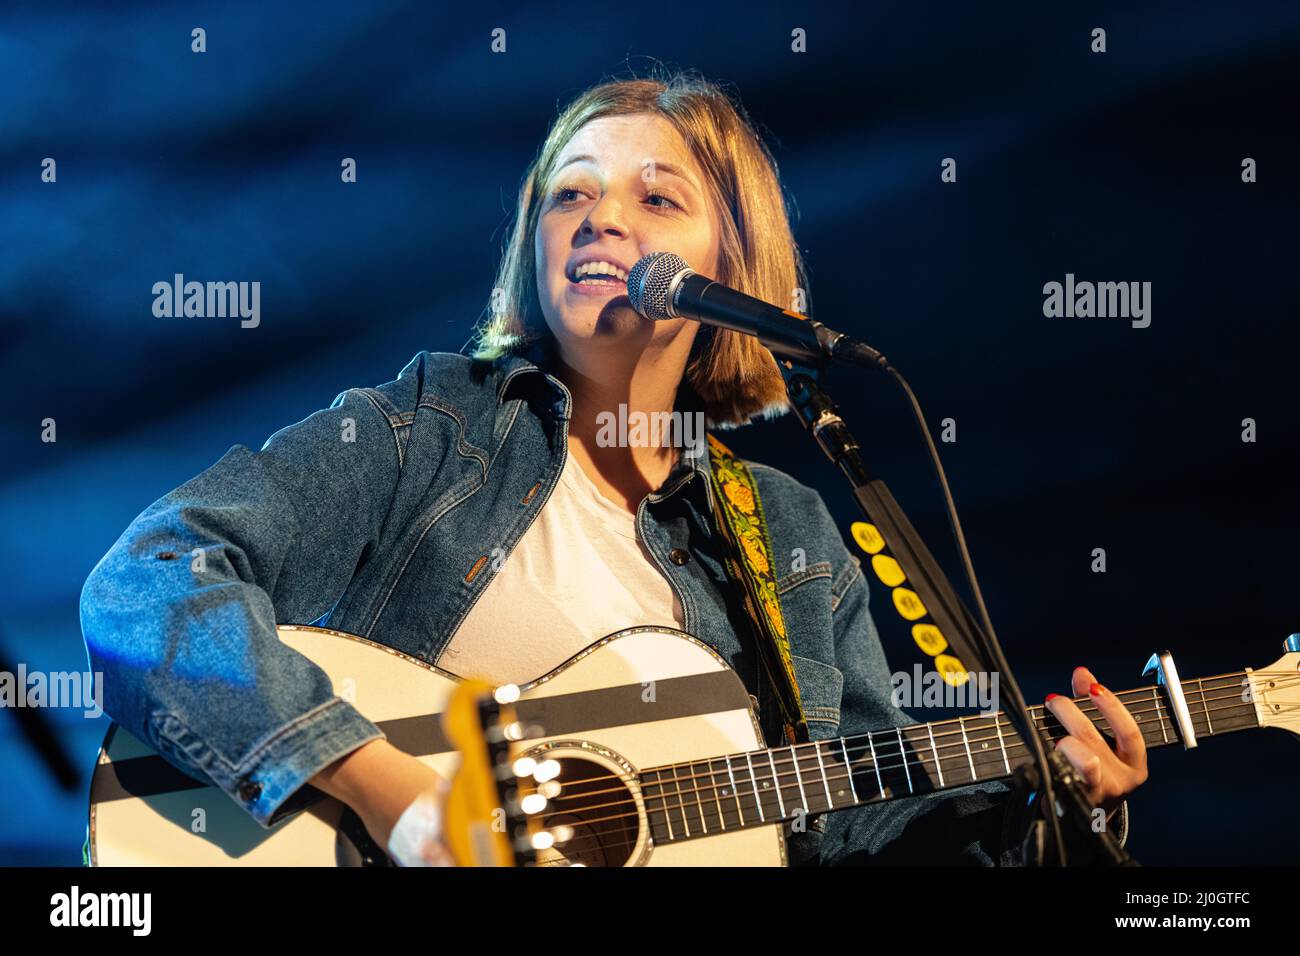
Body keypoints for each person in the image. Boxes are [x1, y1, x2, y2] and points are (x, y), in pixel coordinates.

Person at [80, 69, 1147, 867]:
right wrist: (395, 797)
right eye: (567, 194)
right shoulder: (432, 427)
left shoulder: (792, 537)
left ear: (728, 260)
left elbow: (862, 823)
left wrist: (1061, 803)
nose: (601, 219)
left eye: (656, 198)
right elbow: (148, 578)